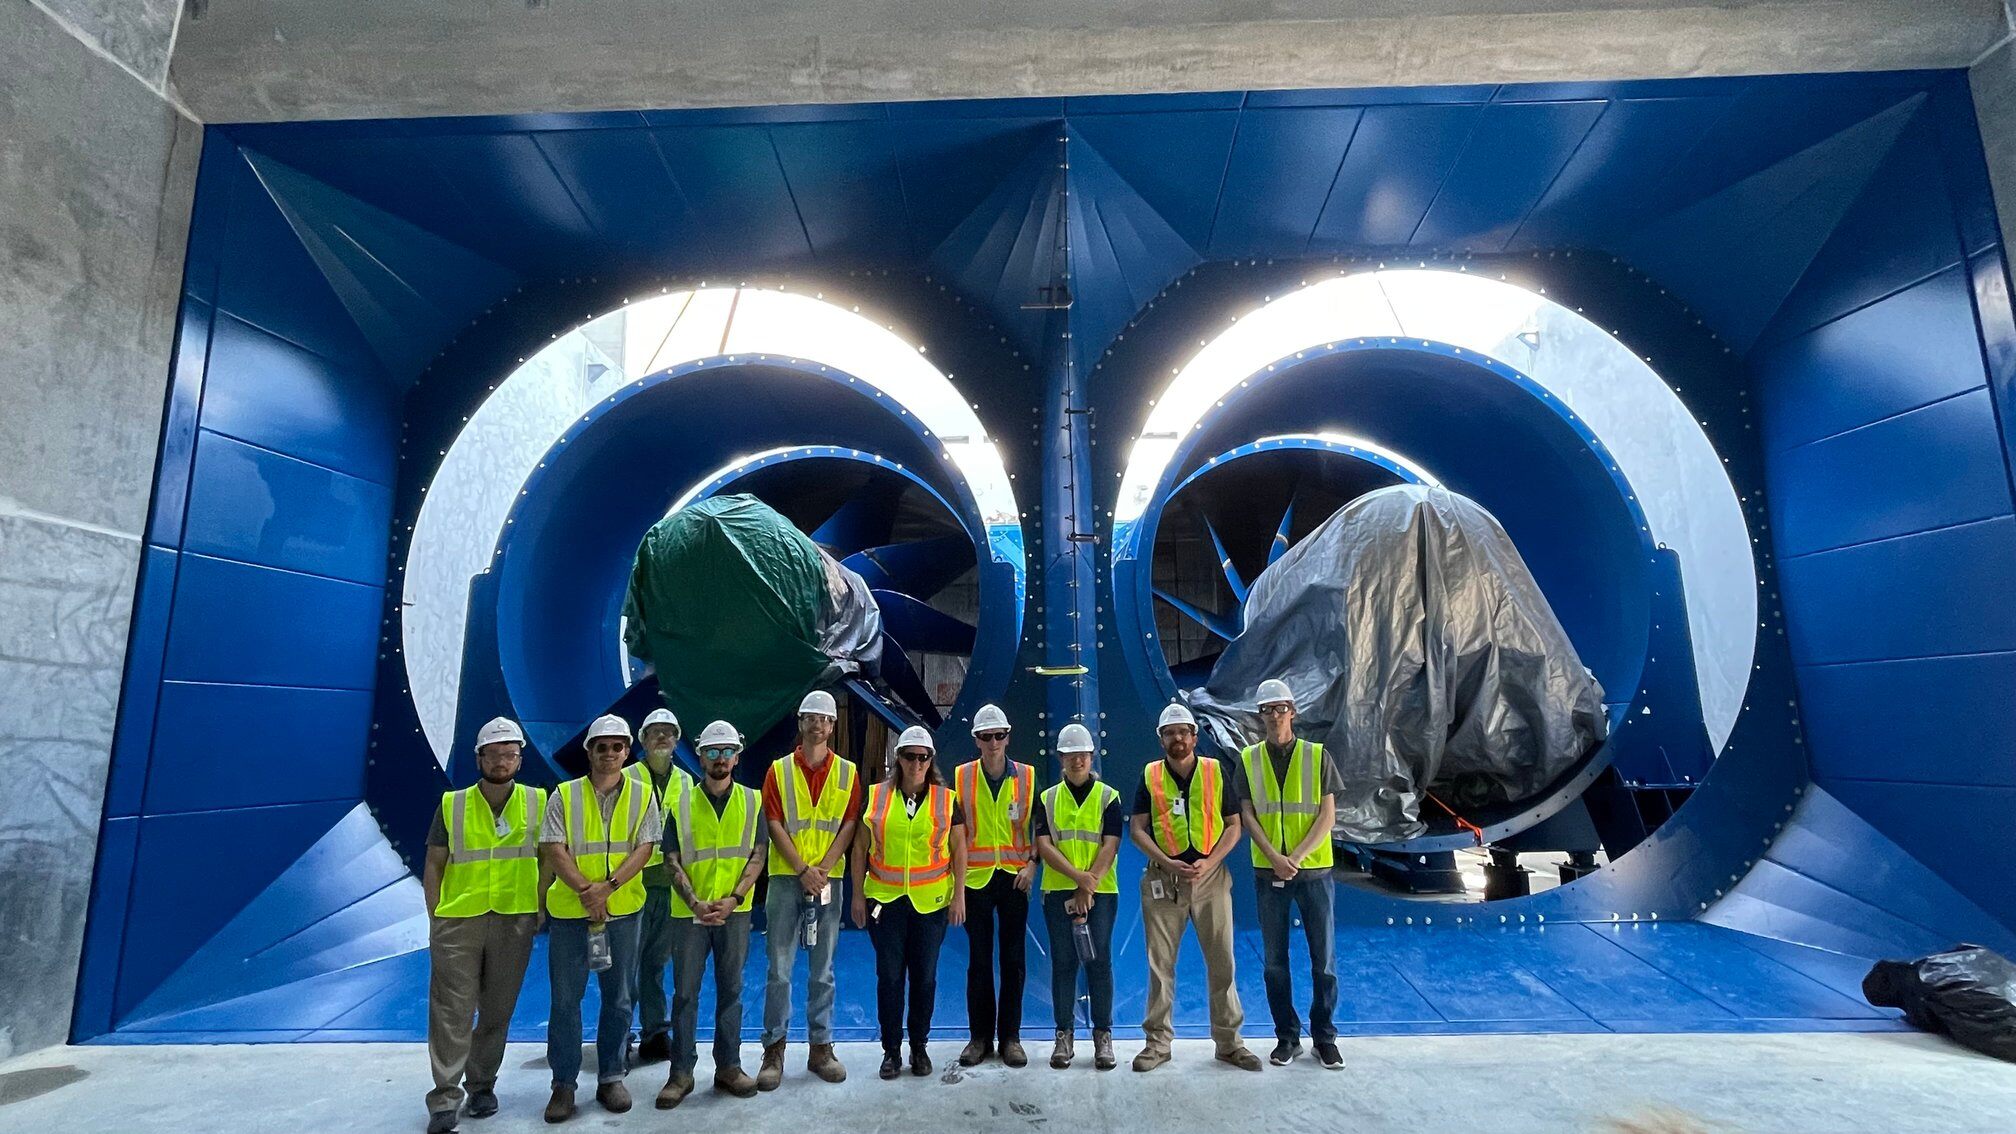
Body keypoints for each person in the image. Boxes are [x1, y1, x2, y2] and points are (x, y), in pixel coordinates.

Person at [421, 718, 549, 1133]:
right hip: (459, 919)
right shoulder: (452, 804)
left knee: (497, 1009)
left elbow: (548, 857)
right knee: (451, 1010)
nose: (502, 761)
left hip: (514, 917)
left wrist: (540, 904)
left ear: (519, 758)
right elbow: (435, 862)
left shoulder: (537, 801)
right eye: (494, 754)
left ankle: (482, 1085)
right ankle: (444, 1098)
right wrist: (436, 916)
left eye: (510, 754)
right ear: (479, 757)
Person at [540, 713, 661, 1122]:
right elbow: (554, 847)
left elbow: (645, 847)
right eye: (601, 747)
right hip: (572, 914)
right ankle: (564, 1084)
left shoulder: (644, 795)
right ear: (589, 751)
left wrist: (606, 888)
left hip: (623, 911)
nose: (609, 754)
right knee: (565, 1001)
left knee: (620, 997)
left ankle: (611, 1075)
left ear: (628, 751)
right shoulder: (563, 794)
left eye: (617, 747)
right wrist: (586, 892)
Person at [1129, 702, 1261, 1073]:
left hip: (1210, 879)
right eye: (1170, 733)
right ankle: (1157, 1044)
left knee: (1222, 962)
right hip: (1163, 879)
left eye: (1183, 732)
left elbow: (1234, 825)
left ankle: (1230, 1044)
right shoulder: (1151, 776)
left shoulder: (1215, 771)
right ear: (1161, 739)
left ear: (1194, 736)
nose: (1178, 738)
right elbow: (1137, 828)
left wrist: (1212, 861)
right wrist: (1167, 861)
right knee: (1160, 966)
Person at [1234, 679, 1346, 1071]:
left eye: (1280, 708)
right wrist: (1273, 857)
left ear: (1293, 712)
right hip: (1270, 874)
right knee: (1274, 963)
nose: (1274, 715)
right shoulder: (1248, 760)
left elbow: (1326, 815)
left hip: (1313, 873)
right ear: (1259, 716)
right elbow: (1247, 814)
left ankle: (1325, 1039)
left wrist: (1294, 856)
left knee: (1323, 962)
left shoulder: (1318, 756)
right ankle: (1287, 1038)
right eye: (1267, 710)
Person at [656, 721, 766, 1107]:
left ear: (737, 756)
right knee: (685, 994)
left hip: (734, 912)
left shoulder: (753, 801)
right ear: (700, 755)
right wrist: (695, 903)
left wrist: (734, 899)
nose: (720, 759)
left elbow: (758, 853)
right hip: (690, 915)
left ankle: (729, 1067)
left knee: (731, 990)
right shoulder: (680, 803)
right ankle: (681, 1073)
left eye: (726, 752)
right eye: (712, 752)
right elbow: (670, 858)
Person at [852, 725, 968, 1079]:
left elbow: (959, 849)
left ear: (931, 760)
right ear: (897, 759)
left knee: (924, 979)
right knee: (888, 977)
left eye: (923, 757)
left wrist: (959, 895)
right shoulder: (875, 797)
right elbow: (859, 849)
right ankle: (891, 1051)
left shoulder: (946, 800)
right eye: (909, 756)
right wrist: (857, 895)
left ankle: (919, 1046)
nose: (916, 763)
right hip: (884, 903)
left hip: (930, 904)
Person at [759, 689, 861, 1089]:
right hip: (787, 878)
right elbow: (774, 822)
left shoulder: (848, 773)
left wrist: (824, 870)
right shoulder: (778, 771)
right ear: (800, 723)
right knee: (779, 969)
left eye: (824, 719)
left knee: (823, 970)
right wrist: (803, 869)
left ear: (832, 727)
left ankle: (821, 1047)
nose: (817, 724)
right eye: (811, 718)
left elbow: (849, 825)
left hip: (827, 880)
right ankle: (774, 1049)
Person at [1033, 722, 1123, 1072]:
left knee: (1099, 963)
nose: (1077, 761)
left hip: (1101, 892)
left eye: (1082, 754)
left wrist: (1089, 885)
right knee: (1064, 964)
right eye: (1070, 755)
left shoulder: (1108, 797)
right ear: (1061, 758)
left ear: (1091, 756)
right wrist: (1078, 880)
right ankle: (1064, 1036)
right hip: (1058, 892)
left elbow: (1111, 843)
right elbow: (1043, 845)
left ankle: (1103, 1036)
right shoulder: (1048, 798)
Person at [954, 703, 1036, 1067]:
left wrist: (1032, 865)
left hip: (1015, 879)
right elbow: (952, 835)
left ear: (1008, 737)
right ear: (976, 740)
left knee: (1014, 959)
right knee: (979, 961)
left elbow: (1040, 830)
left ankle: (1011, 1038)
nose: (993, 743)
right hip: (976, 880)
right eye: (986, 737)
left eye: (999, 736)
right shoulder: (960, 778)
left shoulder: (1028, 778)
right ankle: (979, 1038)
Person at [631, 708, 695, 1067]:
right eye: (654, 731)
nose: (662, 737)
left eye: (668, 732)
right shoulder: (626, 777)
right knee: (623, 965)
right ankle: (619, 1031)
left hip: (668, 887)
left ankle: (654, 1033)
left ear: (676, 739)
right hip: (630, 885)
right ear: (642, 739)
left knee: (655, 962)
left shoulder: (686, 782)